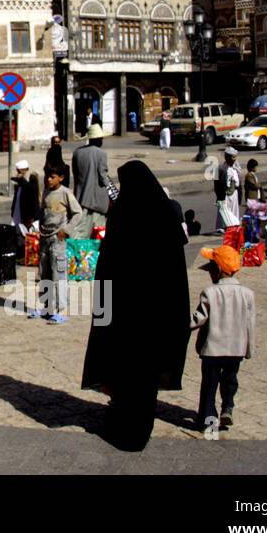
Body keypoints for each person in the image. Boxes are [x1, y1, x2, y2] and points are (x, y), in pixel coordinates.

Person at [82, 161, 190, 451]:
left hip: (126, 316)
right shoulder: (166, 214)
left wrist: (102, 312)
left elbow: (108, 269)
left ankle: (122, 429)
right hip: (157, 316)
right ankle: (141, 430)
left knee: (127, 375)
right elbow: (176, 273)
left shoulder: (124, 217)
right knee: (145, 379)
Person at [190, 244, 255, 435]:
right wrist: (249, 349)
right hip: (236, 349)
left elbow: (198, 319)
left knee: (209, 387)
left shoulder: (209, 293)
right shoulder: (248, 294)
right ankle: (228, 406)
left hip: (212, 349)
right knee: (230, 380)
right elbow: (250, 325)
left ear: (217, 271)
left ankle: (209, 423)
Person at [30, 165, 80, 323]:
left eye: (52, 177)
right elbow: (43, 210)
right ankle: (46, 307)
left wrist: (66, 230)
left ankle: (59, 310)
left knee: (58, 274)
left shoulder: (66, 193)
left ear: (61, 178)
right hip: (45, 238)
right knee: (44, 272)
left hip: (58, 240)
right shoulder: (46, 191)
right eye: (47, 177)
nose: (48, 180)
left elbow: (78, 213)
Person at [71, 124, 111, 230]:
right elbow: (103, 177)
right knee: (98, 231)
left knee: (80, 232)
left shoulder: (77, 152)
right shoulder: (101, 154)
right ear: (98, 139)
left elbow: (75, 174)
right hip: (96, 201)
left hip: (80, 197)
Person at [214, 147, 241, 233]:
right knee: (224, 211)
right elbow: (217, 185)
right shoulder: (221, 169)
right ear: (227, 157)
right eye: (233, 157)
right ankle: (223, 227)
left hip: (234, 193)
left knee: (233, 211)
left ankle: (233, 226)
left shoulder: (236, 168)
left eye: (235, 157)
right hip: (225, 194)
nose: (234, 159)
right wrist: (219, 196)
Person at [11, 160, 40, 236]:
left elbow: (32, 200)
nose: (18, 173)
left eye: (19, 171)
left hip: (28, 218)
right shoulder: (21, 183)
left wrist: (30, 217)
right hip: (19, 215)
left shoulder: (29, 182)